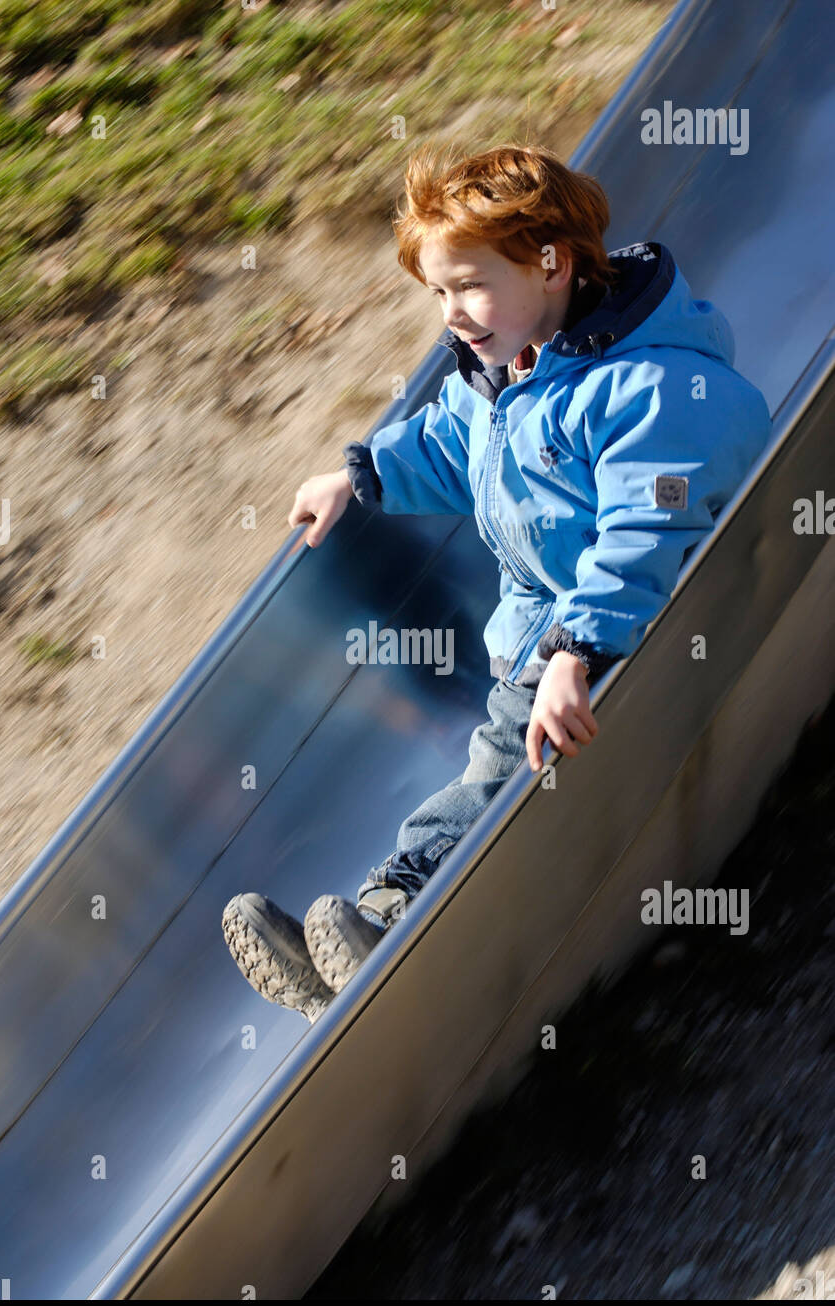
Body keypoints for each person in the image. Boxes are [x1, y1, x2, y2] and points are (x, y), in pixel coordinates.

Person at [221, 141, 772, 1022]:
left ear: (551, 263)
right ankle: (369, 925)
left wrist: (578, 651)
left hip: (630, 638)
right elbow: (447, 444)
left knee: (491, 782)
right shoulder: (510, 373)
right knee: (487, 771)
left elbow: (647, 530)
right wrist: (359, 479)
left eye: (468, 286)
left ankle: (391, 924)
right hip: (545, 645)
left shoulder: (653, 389)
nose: (452, 314)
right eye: (438, 293)